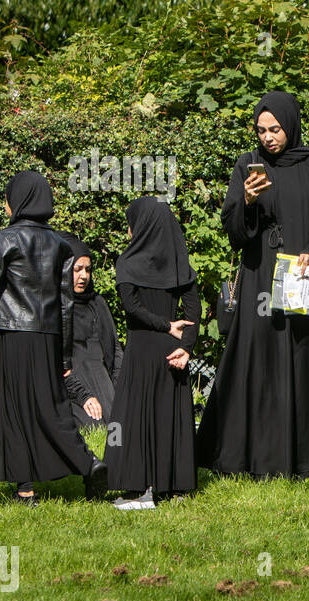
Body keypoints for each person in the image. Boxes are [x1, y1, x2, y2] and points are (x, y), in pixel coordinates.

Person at [196, 91, 309, 479]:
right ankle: (257, 458)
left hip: (304, 276)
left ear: (290, 125)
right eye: (261, 130)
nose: (268, 137)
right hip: (261, 280)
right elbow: (235, 233)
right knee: (261, 361)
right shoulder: (247, 166)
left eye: (275, 129)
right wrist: (248, 203)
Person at [0, 171, 108, 505]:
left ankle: (25, 491)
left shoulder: (5, 240)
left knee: (12, 412)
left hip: (11, 337)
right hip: (48, 339)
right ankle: (90, 464)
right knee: (53, 409)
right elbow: (65, 307)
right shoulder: (62, 246)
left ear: (18, 200)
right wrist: (63, 358)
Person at [104, 198, 201, 509]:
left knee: (135, 417)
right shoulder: (179, 264)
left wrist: (164, 325)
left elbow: (132, 308)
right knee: (169, 415)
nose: (130, 231)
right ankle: (175, 485)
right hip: (173, 352)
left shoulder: (128, 264)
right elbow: (195, 311)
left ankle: (137, 489)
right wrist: (186, 347)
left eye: (131, 224)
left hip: (143, 348)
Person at [59, 233, 122, 429]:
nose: (83, 276)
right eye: (77, 269)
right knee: (90, 424)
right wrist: (82, 395)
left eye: (88, 269)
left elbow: (115, 349)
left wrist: (121, 391)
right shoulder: (55, 306)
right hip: (72, 383)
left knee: (117, 425)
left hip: (102, 380)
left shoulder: (97, 303)